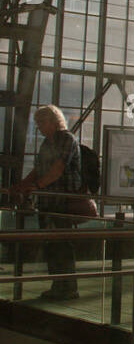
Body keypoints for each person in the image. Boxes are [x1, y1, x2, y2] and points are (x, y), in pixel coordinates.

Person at [9, 105, 85, 300]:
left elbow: (58, 168)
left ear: (53, 121)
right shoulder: (46, 143)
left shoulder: (67, 139)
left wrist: (36, 186)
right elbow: (38, 169)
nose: (39, 127)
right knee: (52, 244)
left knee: (62, 243)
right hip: (48, 201)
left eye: (41, 122)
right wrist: (23, 185)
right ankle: (59, 285)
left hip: (62, 202)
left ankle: (68, 286)